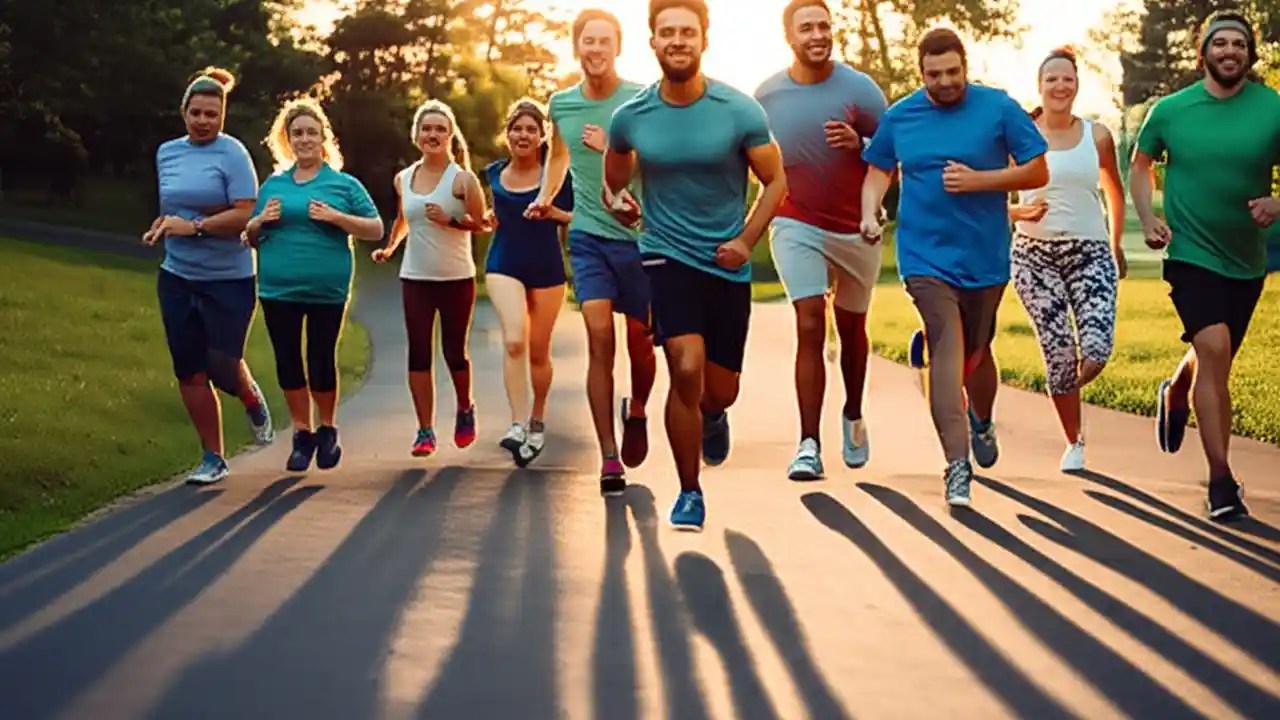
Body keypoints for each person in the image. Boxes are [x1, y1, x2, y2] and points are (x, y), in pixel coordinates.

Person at [605, 0, 787, 529]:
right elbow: (614, 184)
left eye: (687, 31)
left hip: (725, 262)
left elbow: (776, 181)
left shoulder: (739, 110)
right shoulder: (631, 117)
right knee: (684, 368)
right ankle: (689, 491)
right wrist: (621, 204)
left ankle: (713, 414)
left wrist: (746, 241)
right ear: (653, 43)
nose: (678, 40)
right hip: (665, 255)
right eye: (668, 32)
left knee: (719, 389)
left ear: (704, 40)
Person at [860, 28, 1049, 507]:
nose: (944, 82)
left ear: (965, 66)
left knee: (977, 354)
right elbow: (878, 170)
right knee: (946, 343)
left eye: (952, 72)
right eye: (933, 74)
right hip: (924, 256)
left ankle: (981, 420)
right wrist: (869, 211)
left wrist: (980, 180)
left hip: (985, 257)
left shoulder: (998, 107)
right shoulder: (901, 116)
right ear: (920, 73)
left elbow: (1037, 169)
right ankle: (956, 466)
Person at [1129, 11, 1280, 522]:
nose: (1230, 50)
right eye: (1221, 43)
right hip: (1190, 251)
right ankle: (1221, 480)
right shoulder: (1171, 111)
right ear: (1204, 53)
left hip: (1247, 256)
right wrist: (1148, 217)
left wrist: (1277, 204)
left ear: (1249, 54)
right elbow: (1140, 166)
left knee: (1216, 357)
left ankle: (1177, 390)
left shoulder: (1272, 108)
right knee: (1213, 347)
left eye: (1239, 43)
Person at [754, 0, 888, 480]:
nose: (817, 34)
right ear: (789, 37)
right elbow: (750, 159)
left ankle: (852, 413)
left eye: (824, 26)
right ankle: (808, 444)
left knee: (851, 330)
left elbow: (893, 152)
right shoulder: (766, 96)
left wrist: (861, 144)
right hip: (797, 222)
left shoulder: (860, 89)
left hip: (856, 226)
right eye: (806, 27)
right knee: (810, 321)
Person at [529, 8, 657, 496]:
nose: (596, 49)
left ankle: (638, 410)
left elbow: (656, 162)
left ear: (618, 47)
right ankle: (608, 456)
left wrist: (612, 149)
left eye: (605, 40)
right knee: (599, 336)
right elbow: (559, 154)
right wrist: (545, 195)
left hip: (639, 239)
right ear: (577, 47)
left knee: (641, 344)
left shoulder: (641, 100)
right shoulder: (561, 104)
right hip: (588, 238)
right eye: (588, 40)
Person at [143, 66, 275, 485]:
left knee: (222, 366)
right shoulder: (167, 152)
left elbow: (247, 214)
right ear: (184, 112)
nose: (203, 121)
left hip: (229, 278)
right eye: (196, 113)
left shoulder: (233, 154)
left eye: (212, 114)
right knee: (189, 370)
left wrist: (196, 227)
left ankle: (249, 396)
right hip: (177, 275)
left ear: (223, 116)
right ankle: (213, 457)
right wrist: (162, 225)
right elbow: (174, 207)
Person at [242, 98, 384, 472]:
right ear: (287, 139)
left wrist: (337, 217)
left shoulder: (343, 185)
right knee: (287, 360)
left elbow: (375, 228)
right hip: (277, 289)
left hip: (327, 290)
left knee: (321, 359)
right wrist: (259, 222)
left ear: (323, 138)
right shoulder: (274, 185)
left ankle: (328, 428)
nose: (304, 139)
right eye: (297, 133)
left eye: (311, 132)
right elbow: (251, 237)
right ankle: (302, 434)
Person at [1006, 46, 1127, 472]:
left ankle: (1067, 387)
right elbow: (986, 197)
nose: (1060, 86)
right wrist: (1018, 212)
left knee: (1095, 351)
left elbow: (1114, 191)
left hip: (1090, 252)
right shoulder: (1019, 135)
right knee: (1058, 351)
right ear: (1039, 86)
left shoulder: (1098, 135)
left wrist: (1115, 243)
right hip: (1033, 256)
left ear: (1076, 85)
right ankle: (1074, 440)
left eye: (1067, 79)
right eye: (1052, 79)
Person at [372, 100, 489, 457]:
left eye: (440, 129)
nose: (433, 134)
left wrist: (450, 221)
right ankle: (425, 430)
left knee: (454, 352)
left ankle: (465, 407)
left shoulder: (462, 180)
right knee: (419, 352)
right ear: (417, 135)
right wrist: (390, 248)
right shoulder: (403, 178)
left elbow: (482, 224)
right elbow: (404, 220)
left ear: (450, 135)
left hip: (456, 278)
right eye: (427, 129)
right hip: (416, 277)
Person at [483, 98, 575, 467]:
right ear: (507, 134)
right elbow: (486, 214)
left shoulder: (558, 174)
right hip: (504, 262)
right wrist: (483, 218)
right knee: (514, 340)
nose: (523, 135)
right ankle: (517, 424)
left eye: (531, 129)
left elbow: (577, 216)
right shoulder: (492, 173)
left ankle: (537, 419)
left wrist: (552, 212)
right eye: (517, 128)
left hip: (547, 267)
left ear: (542, 136)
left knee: (538, 351)